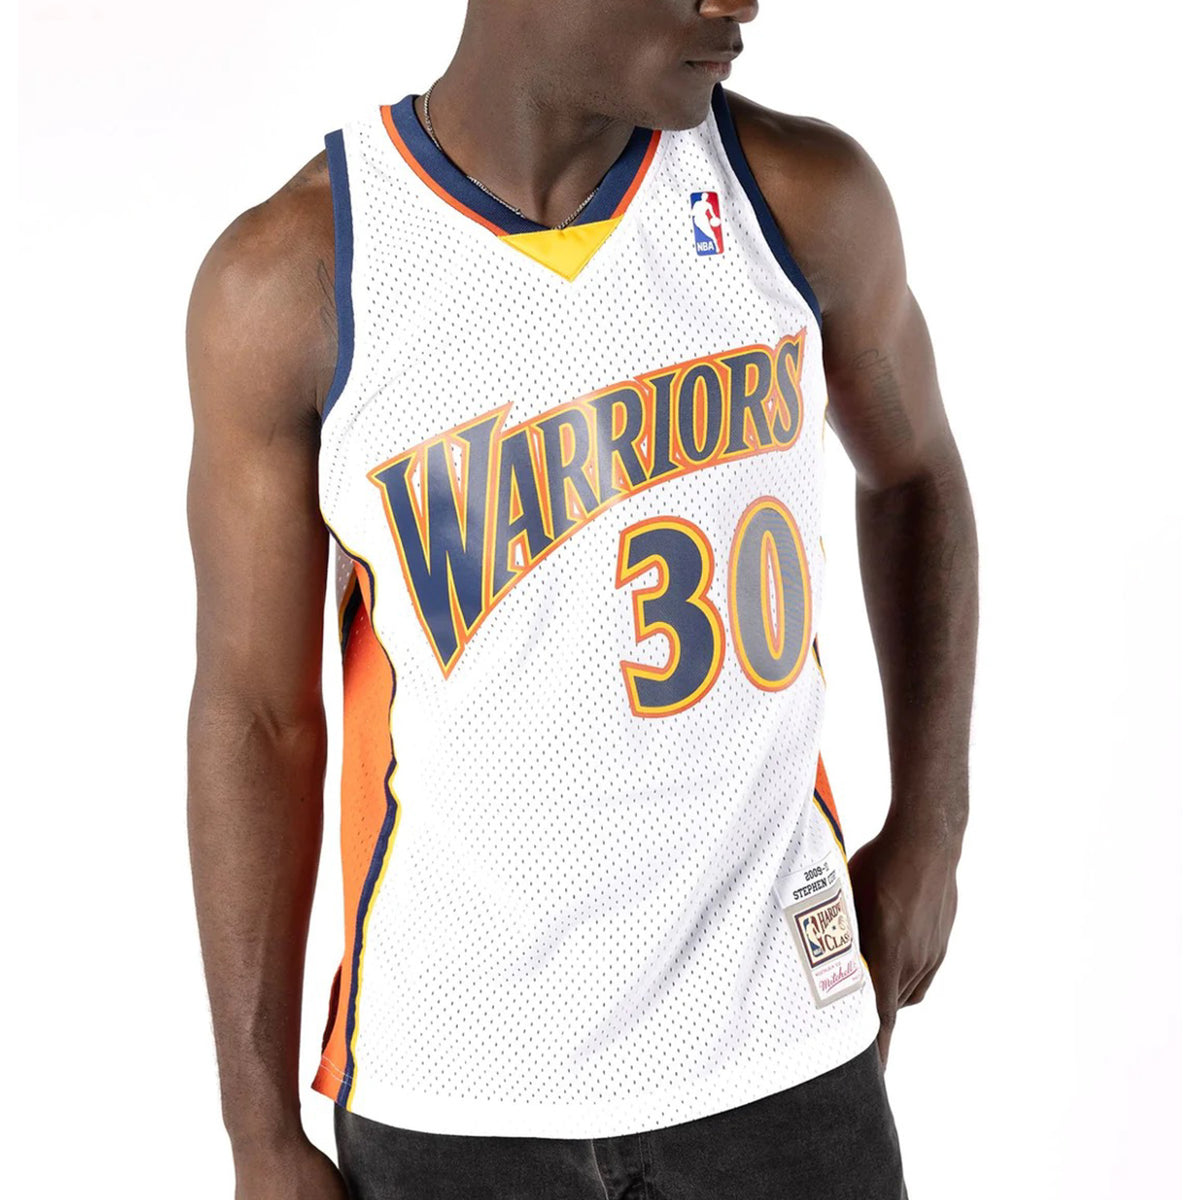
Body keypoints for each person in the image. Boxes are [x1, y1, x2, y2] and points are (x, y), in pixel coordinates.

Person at [185, 1, 978, 1196]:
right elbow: (254, 713)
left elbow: (914, 475)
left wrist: (932, 826)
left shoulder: (799, 198)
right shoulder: (298, 280)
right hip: (451, 1088)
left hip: (776, 1042)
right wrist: (257, 1133)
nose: (739, 1)